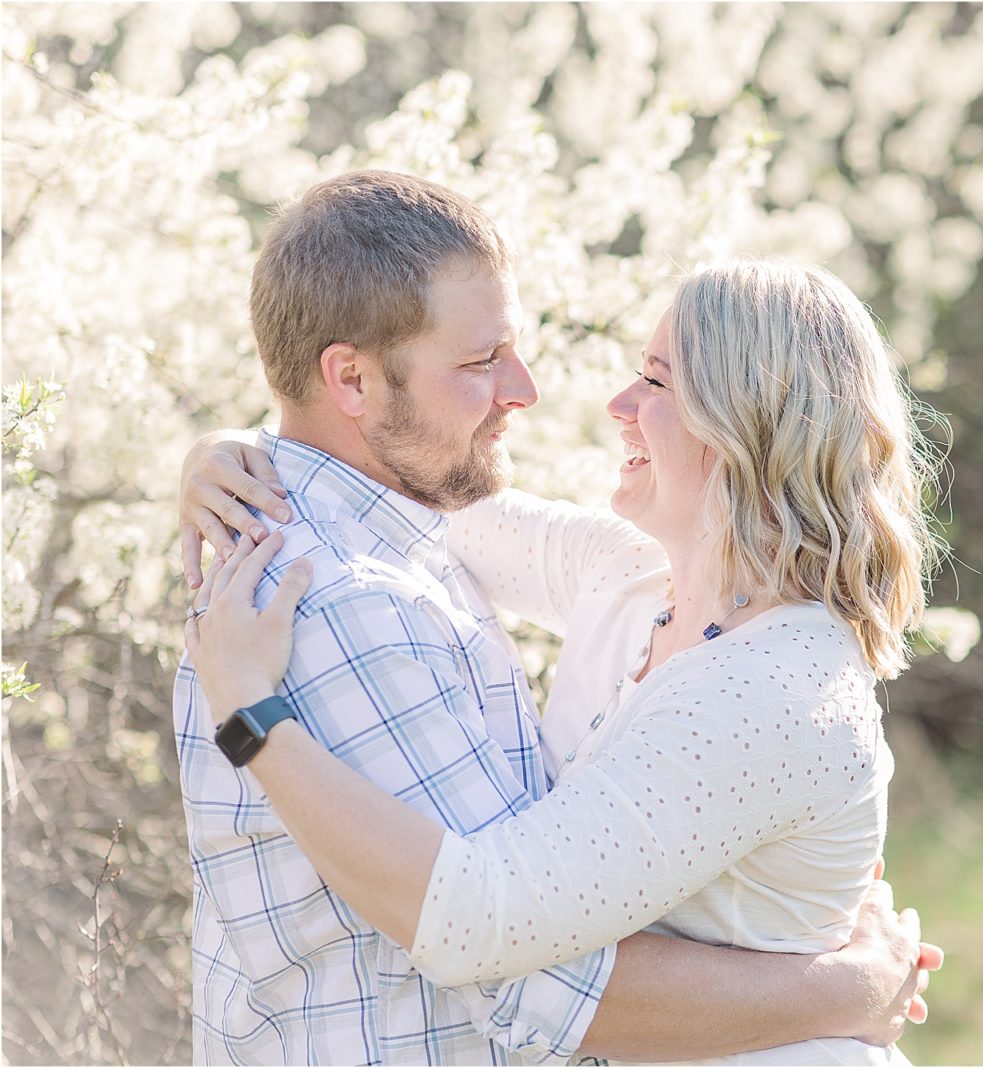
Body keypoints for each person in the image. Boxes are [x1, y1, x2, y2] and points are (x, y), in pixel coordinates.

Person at [172, 170, 938, 1066]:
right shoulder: (630, 578)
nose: (611, 402)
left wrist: (251, 719)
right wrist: (233, 453)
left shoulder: (777, 687)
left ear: (744, 433)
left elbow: (487, 927)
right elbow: (422, 499)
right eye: (481, 359)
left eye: (654, 381)